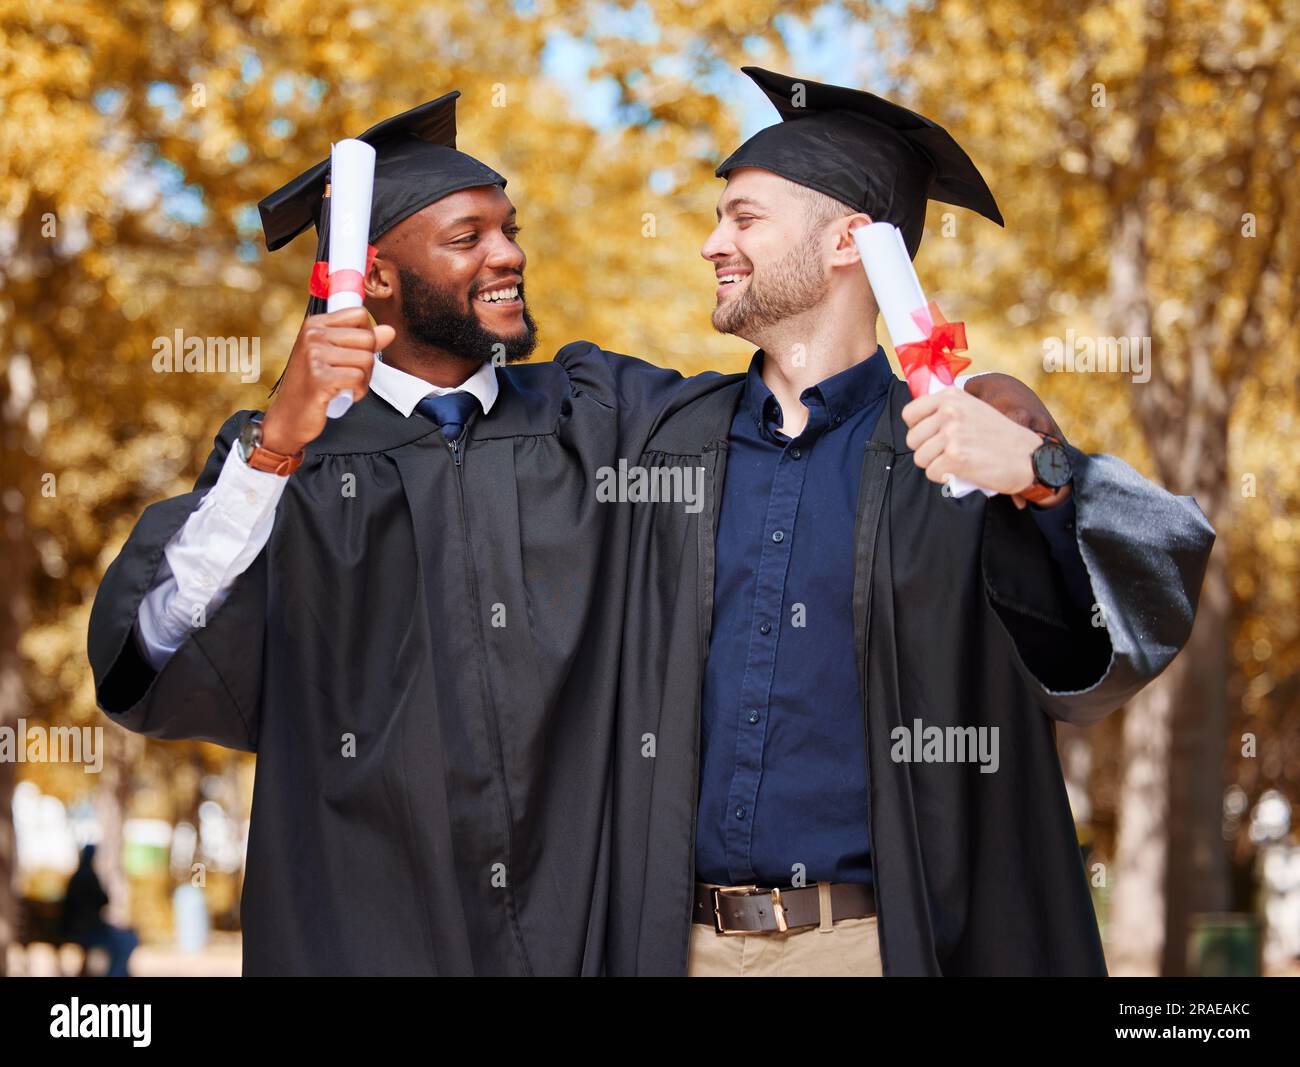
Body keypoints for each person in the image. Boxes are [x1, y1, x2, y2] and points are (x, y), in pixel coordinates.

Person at [604, 68, 1216, 976]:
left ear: (850, 239)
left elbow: (1124, 620)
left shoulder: (957, 450)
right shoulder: (664, 436)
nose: (710, 243)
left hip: (871, 949)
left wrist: (1041, 475)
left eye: (744, 217)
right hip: (671, 945)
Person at [87, 91, 692, 976]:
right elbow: (155, 649)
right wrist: (278, 446)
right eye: (468, 238)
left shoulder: (591, 413)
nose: (511, 255)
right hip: (366, 936)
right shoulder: (286, 465)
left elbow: (772, 419)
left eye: (509, 228)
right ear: (372, 278)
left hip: (579, 931)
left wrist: (966, 392)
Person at [59, 844, 140, 977]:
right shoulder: (89, 877)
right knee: (127, 940)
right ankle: (115, 974)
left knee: (124, 939)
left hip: (79, 928)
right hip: (88, 930)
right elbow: (103, 900)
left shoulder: (76, 877)